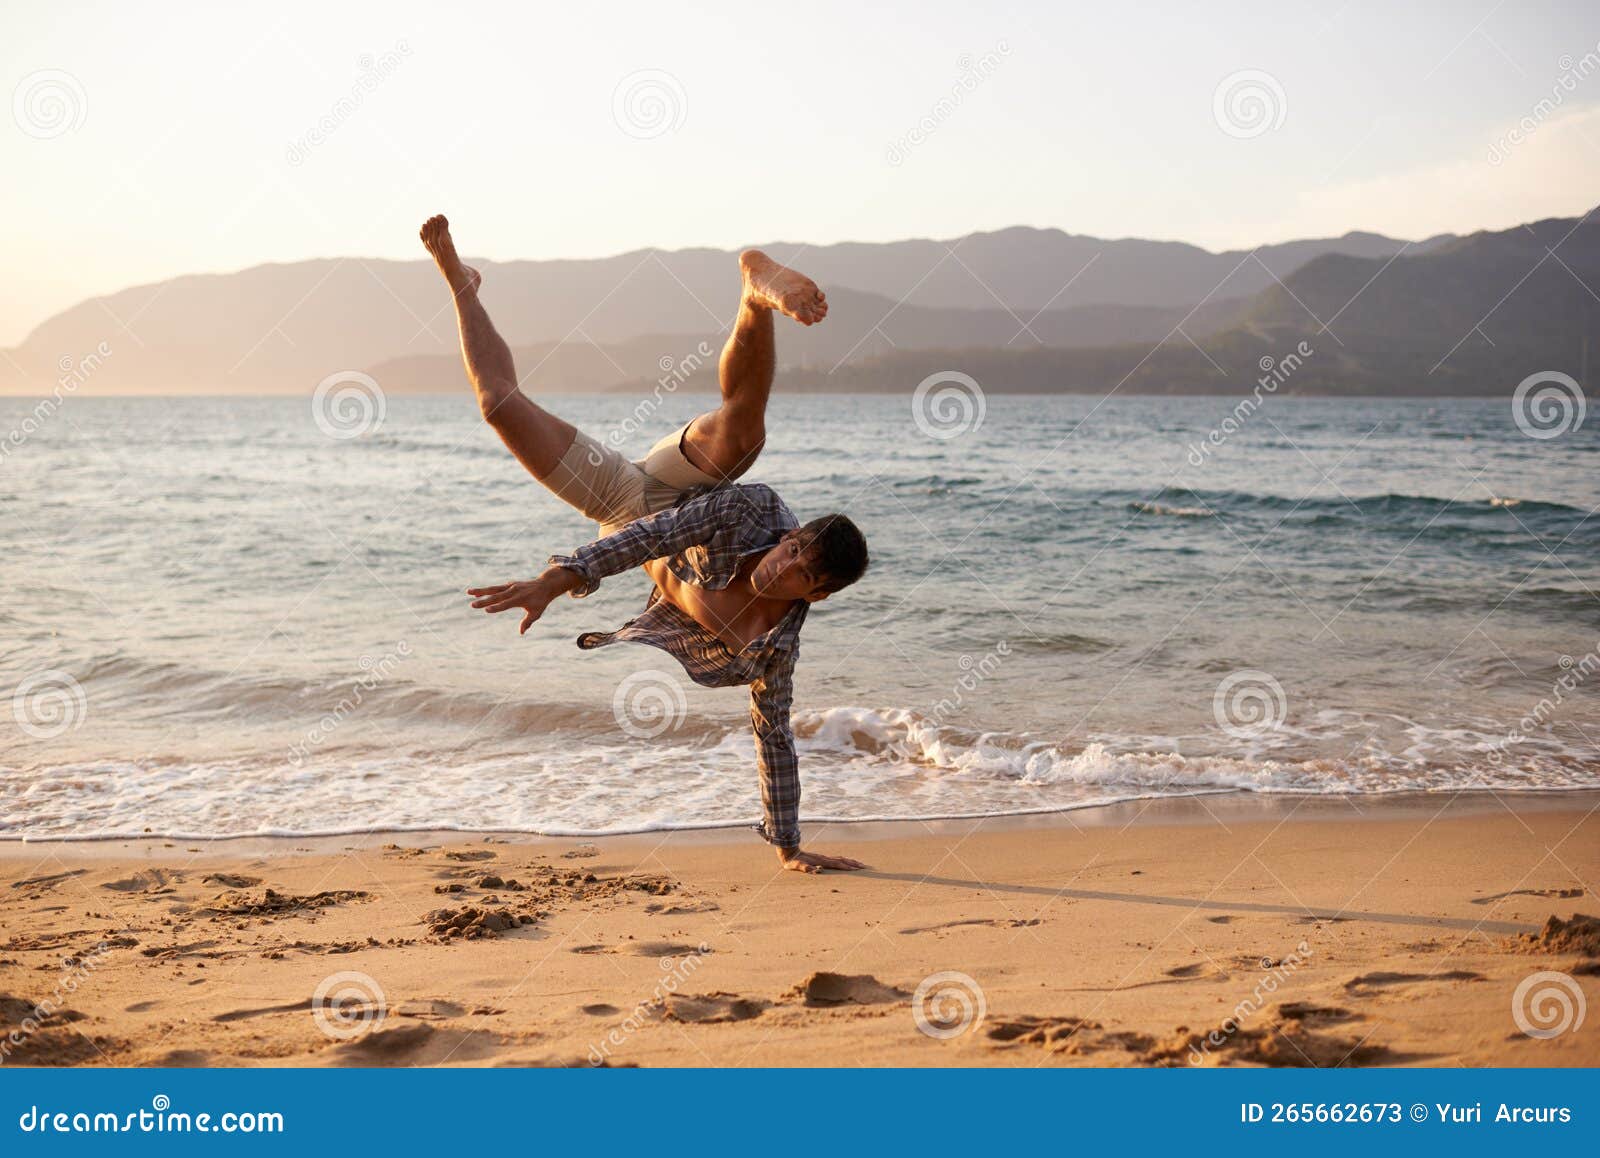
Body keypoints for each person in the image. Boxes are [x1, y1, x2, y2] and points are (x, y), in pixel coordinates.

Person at [419, 215, 871, 874]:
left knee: (497, 405)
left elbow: (772, 735)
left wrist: (790, 848)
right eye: (794, 546)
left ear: (818, 595)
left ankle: (462, 286)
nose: (784, 559)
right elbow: (660, 533)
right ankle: (756, 292)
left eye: (801, 569)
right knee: (744, 436)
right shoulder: (758, 513)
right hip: (677, 495)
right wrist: (561, 577)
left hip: (620, 504)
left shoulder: (771, 650)